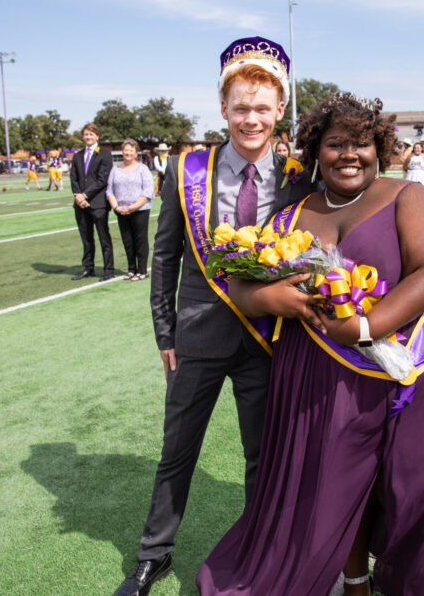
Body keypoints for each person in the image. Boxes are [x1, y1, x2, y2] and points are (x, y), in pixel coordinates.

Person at [197, 93, 424, 595]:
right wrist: (271, 296)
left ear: (380, 148)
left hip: (422, 370)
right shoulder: (291, 215)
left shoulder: (406, 196)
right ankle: (354, 580)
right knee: (335, 490)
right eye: (335, 144)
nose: (350, 154)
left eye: (361, 143)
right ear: (315, 151)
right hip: (326, 376)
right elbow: (239, 283)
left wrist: (365, 329)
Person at [115, 36, 311, 596]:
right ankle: (154, 555)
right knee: (177, 451)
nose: (252, 118)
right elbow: (164, 257)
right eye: (241, 107)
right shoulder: (186, 168)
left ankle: (257, 554)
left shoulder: (297, 173)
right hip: (198, 333)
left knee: (262, 456)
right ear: (223, 108)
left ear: (280, 110)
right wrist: (163, 334)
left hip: (268, 335)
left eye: (263, 108)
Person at [70, 122, 115, 281]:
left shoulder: (104, 154)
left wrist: (85, 195)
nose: (88, 137)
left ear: (97, 136)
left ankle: (109, 270)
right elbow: (73, 178)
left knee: (104, 237)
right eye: (86, 134)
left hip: (98, 203)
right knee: (86, 238)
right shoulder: (77, 155)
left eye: (91, 134)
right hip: (80, 204)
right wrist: (78, 196)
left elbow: (102, 179)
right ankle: (88, 267)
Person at [106, 139, 155, 281]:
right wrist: (116, 207)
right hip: (121, 210)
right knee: (127, 240)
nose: (128, 153)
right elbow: (109, 191)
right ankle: (131, 269)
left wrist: (133, 207)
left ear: (136, 153)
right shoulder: (115, 169)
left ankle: (142, 270)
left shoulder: (142, 169)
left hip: (140, 210)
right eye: (125, 150)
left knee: (140, 239)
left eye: (131, 150)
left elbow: (147, 192)